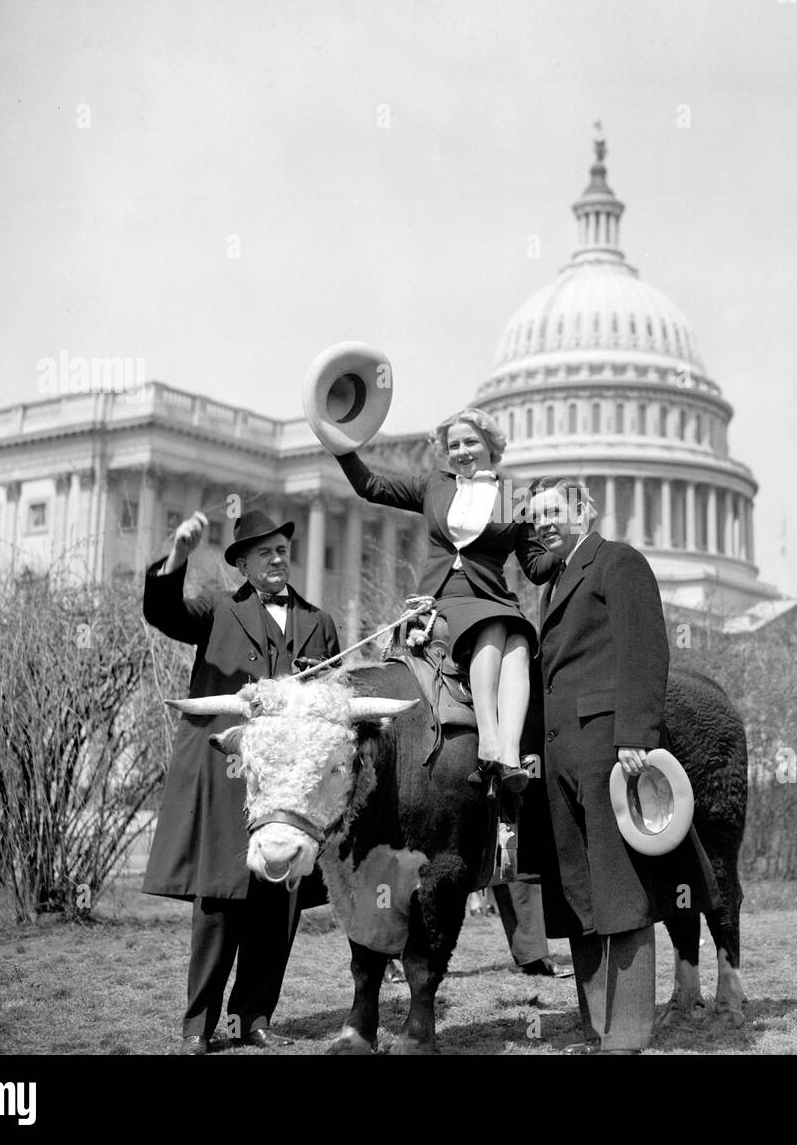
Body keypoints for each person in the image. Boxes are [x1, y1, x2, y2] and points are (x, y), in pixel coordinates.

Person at [521, 475, 718, 1053]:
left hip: (609, 750)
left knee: (623, 891)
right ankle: (597, 1027)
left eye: (555, 511)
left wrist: (636, 735)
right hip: (562, 757)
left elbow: (645, 647)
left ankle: (628, 1033)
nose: (545, 524)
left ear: (586, 510)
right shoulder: (554, 581)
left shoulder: (619, 562)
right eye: (536, 517)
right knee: (580, 895)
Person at [143, 508, 340, 1054]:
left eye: (283, 551)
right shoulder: (216, 612)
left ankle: (252, 1019)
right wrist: (177, 557)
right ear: (244, 564)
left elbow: (328, 700)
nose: (278, 560)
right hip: (228, 778)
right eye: (265, 553)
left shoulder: (320, 621)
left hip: (291, 790)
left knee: (279, 902)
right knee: (220, 902)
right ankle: (196, 1029)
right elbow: (164, 613)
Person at [334, 407, 556, 792]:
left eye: (470, 442)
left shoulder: (512, 496)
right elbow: (370, 486)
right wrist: (340, 447)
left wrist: (570, 542)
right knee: (495, 626)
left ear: (490, 446)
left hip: (491, 593)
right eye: (453, 445)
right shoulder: (436, 485)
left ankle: (509, 750)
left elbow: (535, 567)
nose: (462, 451)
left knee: (519, 642)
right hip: (443, 596)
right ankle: (490, 741)